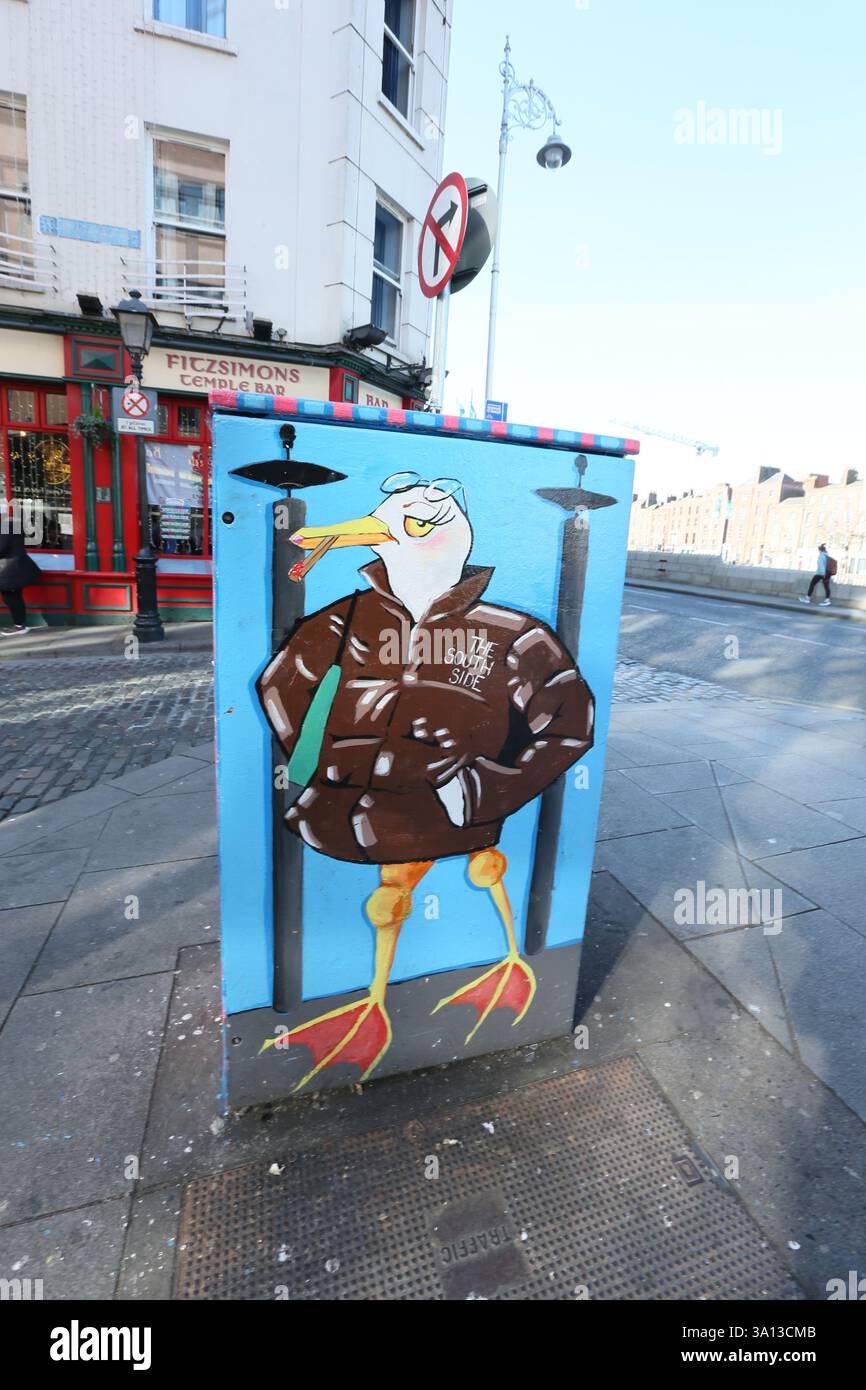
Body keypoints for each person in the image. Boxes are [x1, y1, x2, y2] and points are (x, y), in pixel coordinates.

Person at [0, 523, 42, 636]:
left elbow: (1, 547)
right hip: (13, 569)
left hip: (11, 570)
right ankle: (19, 625)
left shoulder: (7, 528)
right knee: (12, 598)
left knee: (12, 598)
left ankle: (20, 626)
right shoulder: (11, 525)